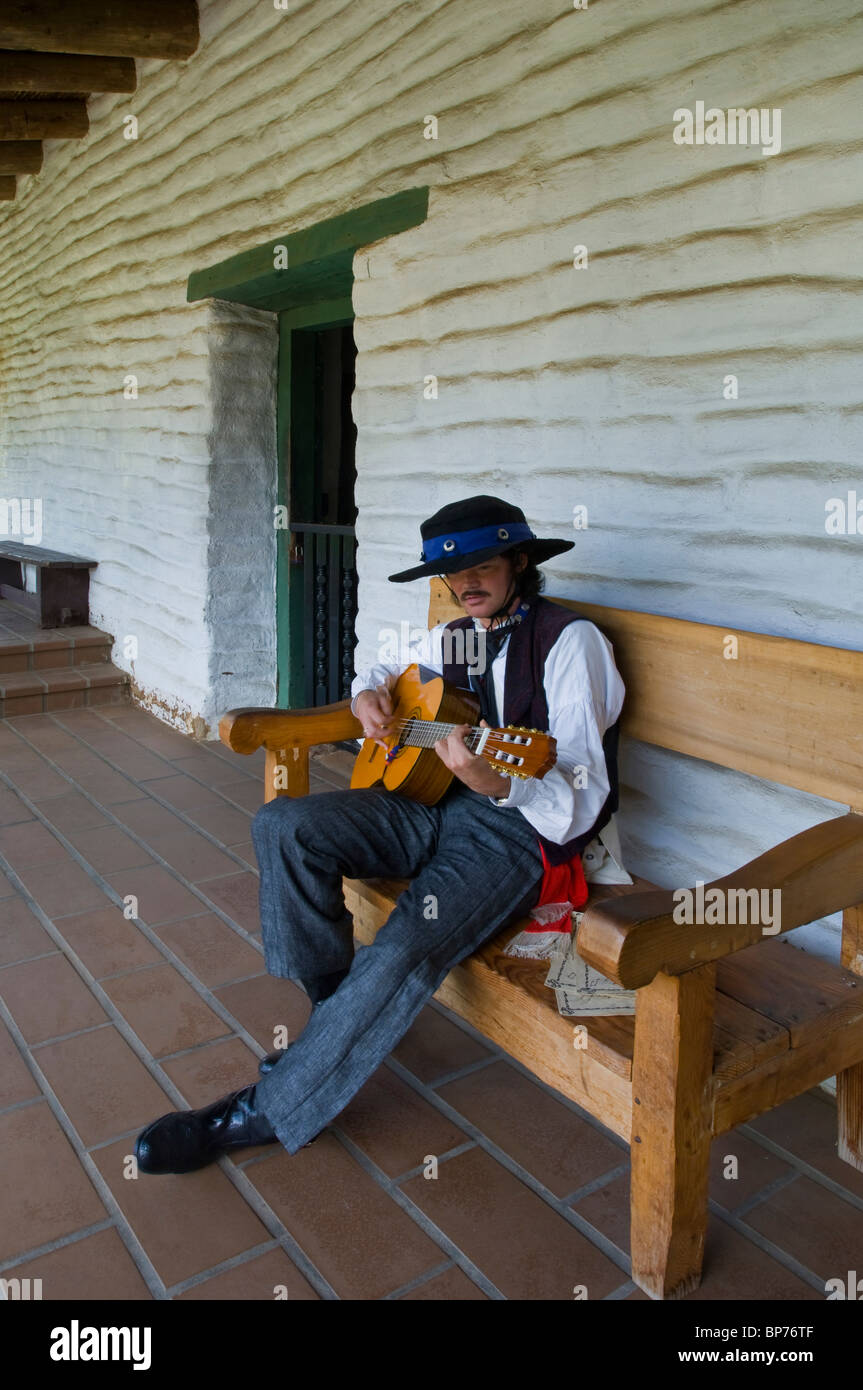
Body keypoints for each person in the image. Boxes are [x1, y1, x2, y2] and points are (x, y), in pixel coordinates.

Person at [133, 495, 625, 1174]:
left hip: (514, 829)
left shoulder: (571, 644)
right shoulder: (453, 633)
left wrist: (500, 783)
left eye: (481, 566)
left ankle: (265, 1109)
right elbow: (385, 674)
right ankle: (333, 1008)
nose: (466, 585)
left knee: (400, 952)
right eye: (452, 576)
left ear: (519, 561)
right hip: (426, 802)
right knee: (285, 825)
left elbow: (581, 787)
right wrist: (367, 695)